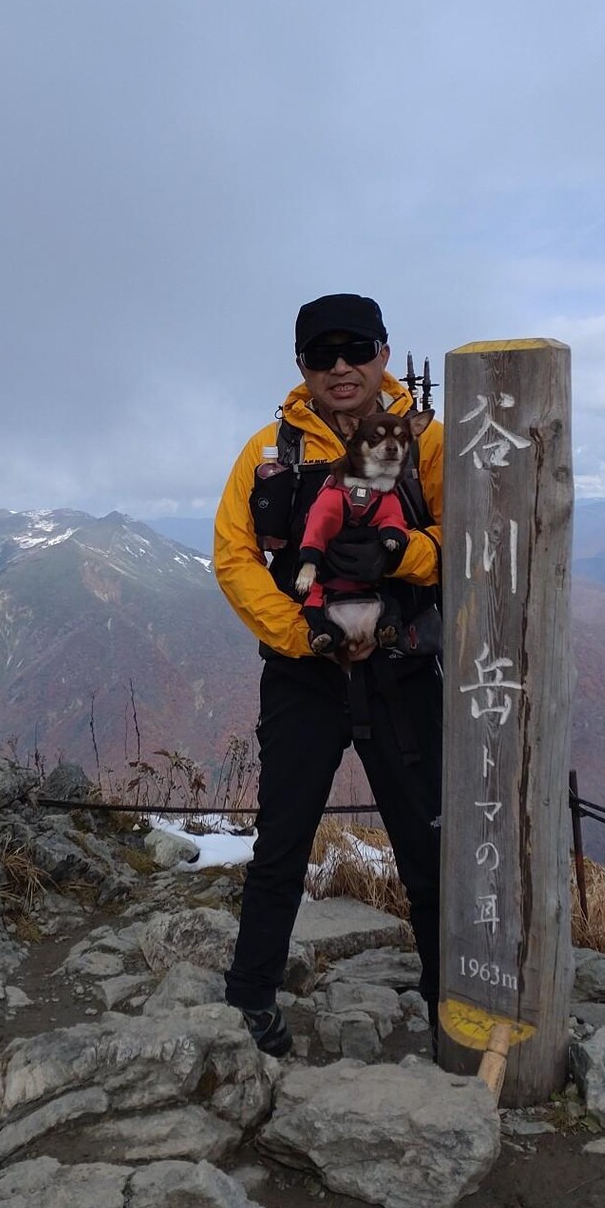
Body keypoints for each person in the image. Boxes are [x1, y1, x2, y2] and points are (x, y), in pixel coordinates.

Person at [213, 293, 443, 1056]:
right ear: (301, 366)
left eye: (355, 349)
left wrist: (397, 554)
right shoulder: (267, 450)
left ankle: (451, 1001)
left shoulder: (430, 442)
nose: (339, 366)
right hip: (303, 673)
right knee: (281, 842)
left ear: (382, 352)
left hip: (402, 668)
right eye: (321, 353)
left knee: (428, 843)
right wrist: (301, 633)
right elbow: (234, 556)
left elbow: (468, 537)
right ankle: (249, 1005)